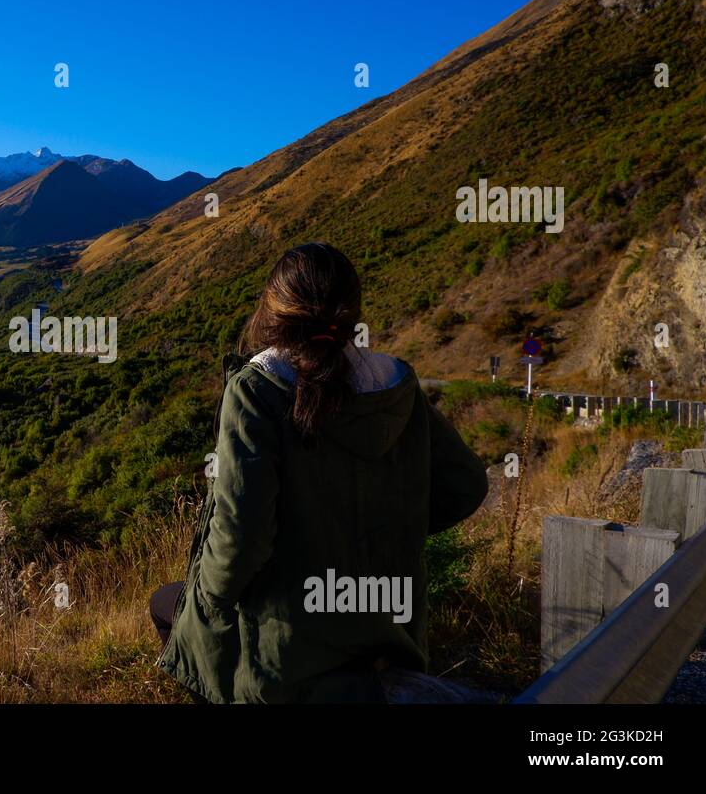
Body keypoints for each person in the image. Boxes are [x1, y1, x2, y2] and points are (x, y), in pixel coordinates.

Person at [152, 242, 488, 704]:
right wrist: (375, 541)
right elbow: (466, 485)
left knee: (166, 606)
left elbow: (240, 538)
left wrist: (206, 604)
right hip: (387, 631)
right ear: (352, 313)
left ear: (273, 311)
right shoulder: (395, 387)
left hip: (287, 655)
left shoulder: (258, 390)